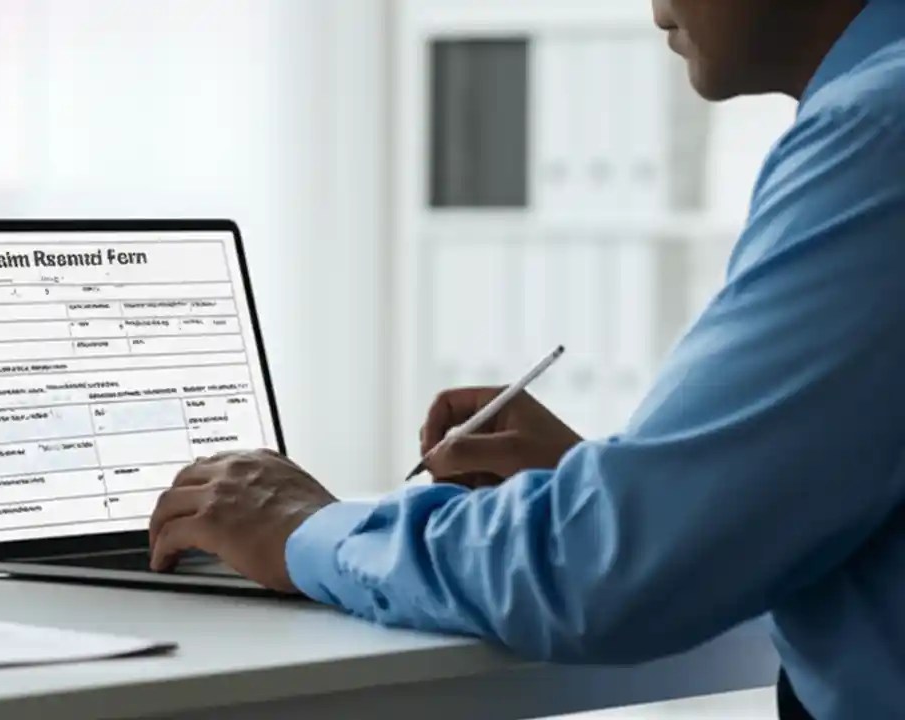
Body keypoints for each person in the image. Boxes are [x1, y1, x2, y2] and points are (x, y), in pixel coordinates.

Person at [148, 0, 905, 717]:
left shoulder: (878, 131)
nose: (652, 7)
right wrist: (637, 494)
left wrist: (302, 528)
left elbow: (604, 577)